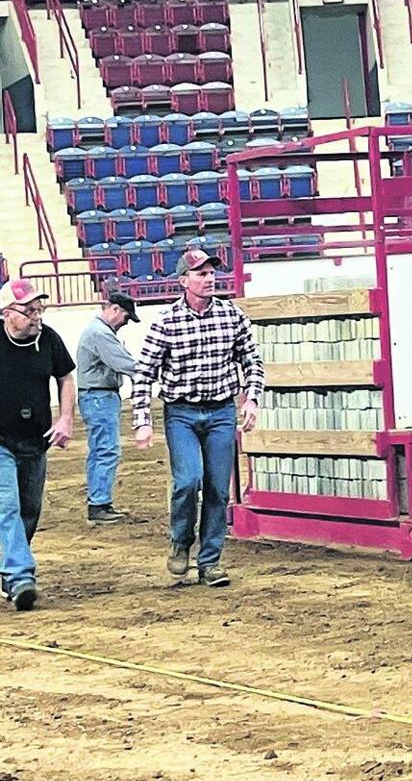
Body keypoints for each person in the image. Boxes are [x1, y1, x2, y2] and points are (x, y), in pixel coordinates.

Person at [132, 249, 264, 588]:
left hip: (221, 410)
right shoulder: (166, 321)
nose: (209, 279)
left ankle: (210, 562)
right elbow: (144, 373)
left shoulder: (232, 315)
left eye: (211, 273)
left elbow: (252, 359)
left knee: (219, 489)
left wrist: (252, 398)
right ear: (183, 281)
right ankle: (181, 539)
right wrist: (142, 419)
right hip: (182, 413)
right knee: (188, 481)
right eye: (201, 274)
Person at [0, 279, 74, 612]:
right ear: (5, 314)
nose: (36, 315)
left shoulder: (50, 339)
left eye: (38, 308)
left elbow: (66, 378)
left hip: (36, 440)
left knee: (30, 510)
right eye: (28, 310)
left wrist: (65, 419)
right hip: (1, 440)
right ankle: (19, 577)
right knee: (8, 506)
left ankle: (9, 567)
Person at [75, 291, 140, 526]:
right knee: (106, 449)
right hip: (99, 397)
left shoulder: (97, 331)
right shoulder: (101, 333)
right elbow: (123, 362)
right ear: (114, 309)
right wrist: (151, 371)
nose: (125, 322)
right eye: (125, 316)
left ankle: (98, 502)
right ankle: (99, 503)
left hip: (96, 396)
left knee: (100, 449)